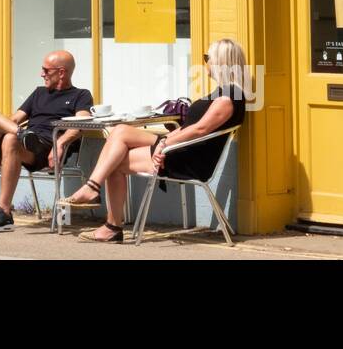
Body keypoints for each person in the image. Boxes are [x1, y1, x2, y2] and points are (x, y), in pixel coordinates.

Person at [63, 38, 248, 243]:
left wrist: (166, 143)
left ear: (221, 62)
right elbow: (194, 128)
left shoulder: (228, 98)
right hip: (180, 146)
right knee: (120, 131)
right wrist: (168, 138)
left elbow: (200, 130)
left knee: (113, 164)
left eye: (208, 58)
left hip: (187, 159)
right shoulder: (227, 93)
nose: (205, 63)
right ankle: (92, 188)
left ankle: (111, 226)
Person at [0, 50, 93, 233]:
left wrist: (59, 143)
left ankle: (3, 212)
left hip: (46, 147)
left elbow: (82, 123)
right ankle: (21, 135)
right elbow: (13, 120)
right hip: (24, 139)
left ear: (61, 72)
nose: (41, 74)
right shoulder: (39, 93)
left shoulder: (80, 95)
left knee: (11, 138)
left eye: (46, 70)